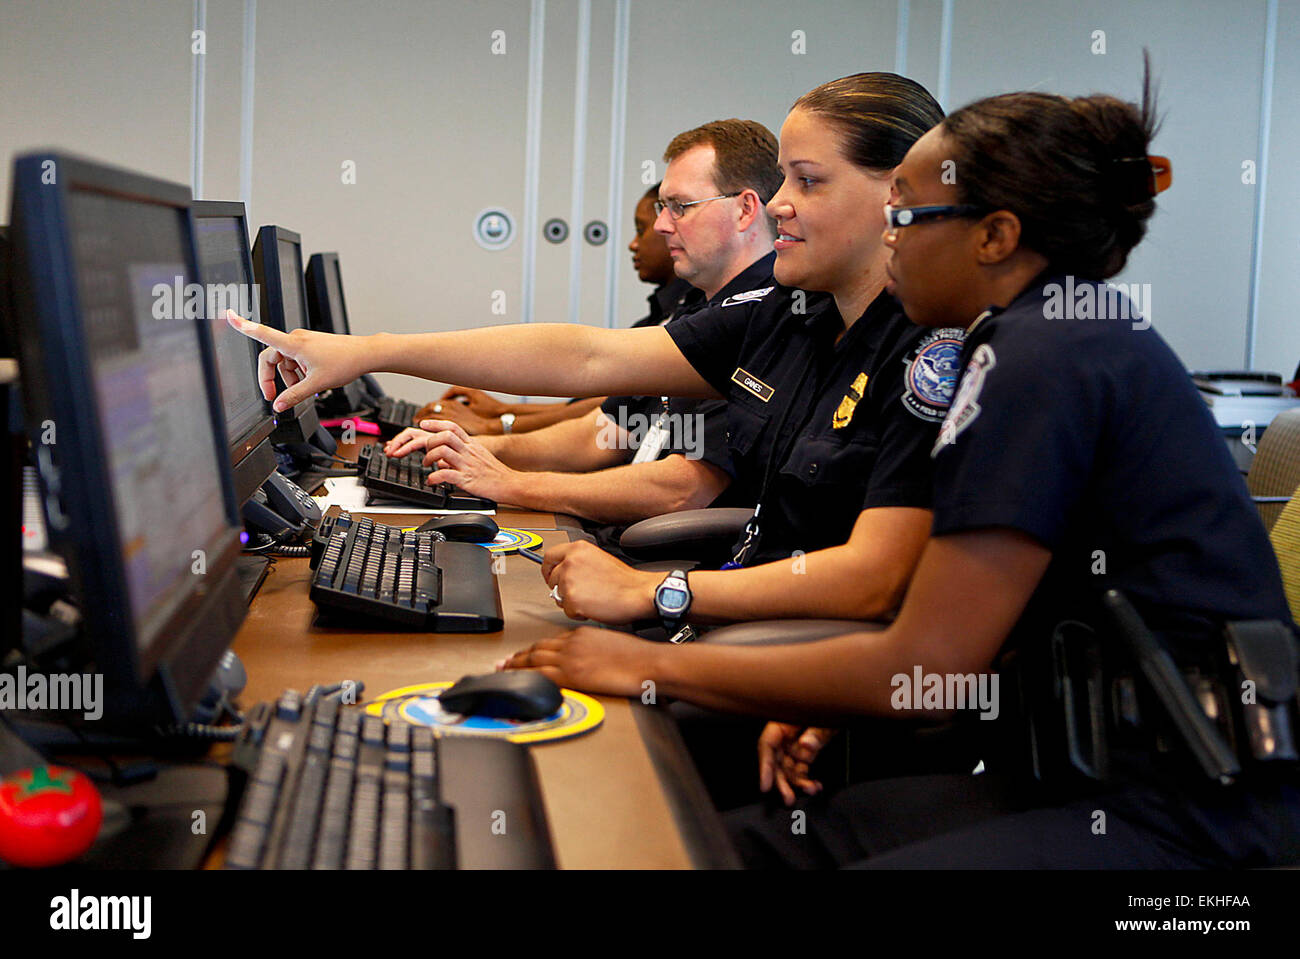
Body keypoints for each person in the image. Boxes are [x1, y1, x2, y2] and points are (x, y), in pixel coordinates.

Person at [502, 67, 1300, 868]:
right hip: (1075, 773)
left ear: (995, 236)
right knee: (747, 843)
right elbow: (987, 629)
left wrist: (648, 662)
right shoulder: (1044, 337)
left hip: (1185, 822)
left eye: (909, 215)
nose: (891, 237)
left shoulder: (1042, 359)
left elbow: (925, 661)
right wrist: (820, 694)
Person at [230, 73, 956, 626]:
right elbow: (588, 360)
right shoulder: (786, 313)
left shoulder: (927, 351)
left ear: (897, 194)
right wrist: (371, 350)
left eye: (808, 181)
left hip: (762, 639)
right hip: (722, 608)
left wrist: (647, 590)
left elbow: (865, 578)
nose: (777, 205)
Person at [385, 123, 784, 529]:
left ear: (745, 209)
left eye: (680, 206)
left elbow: (684, 487)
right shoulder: (700, 308)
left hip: (667, 560)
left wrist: (510, 483)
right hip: (624, 538)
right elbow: (604, 434)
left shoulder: (762, 317)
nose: (663, 224)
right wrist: (482, 449)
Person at [413, 183, 686, 434]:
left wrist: (496, 425)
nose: (632, 244)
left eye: (640, 229)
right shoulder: (659, 315)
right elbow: (592, 407)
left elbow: (600, 413)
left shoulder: (687, 321)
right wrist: (501, 413)